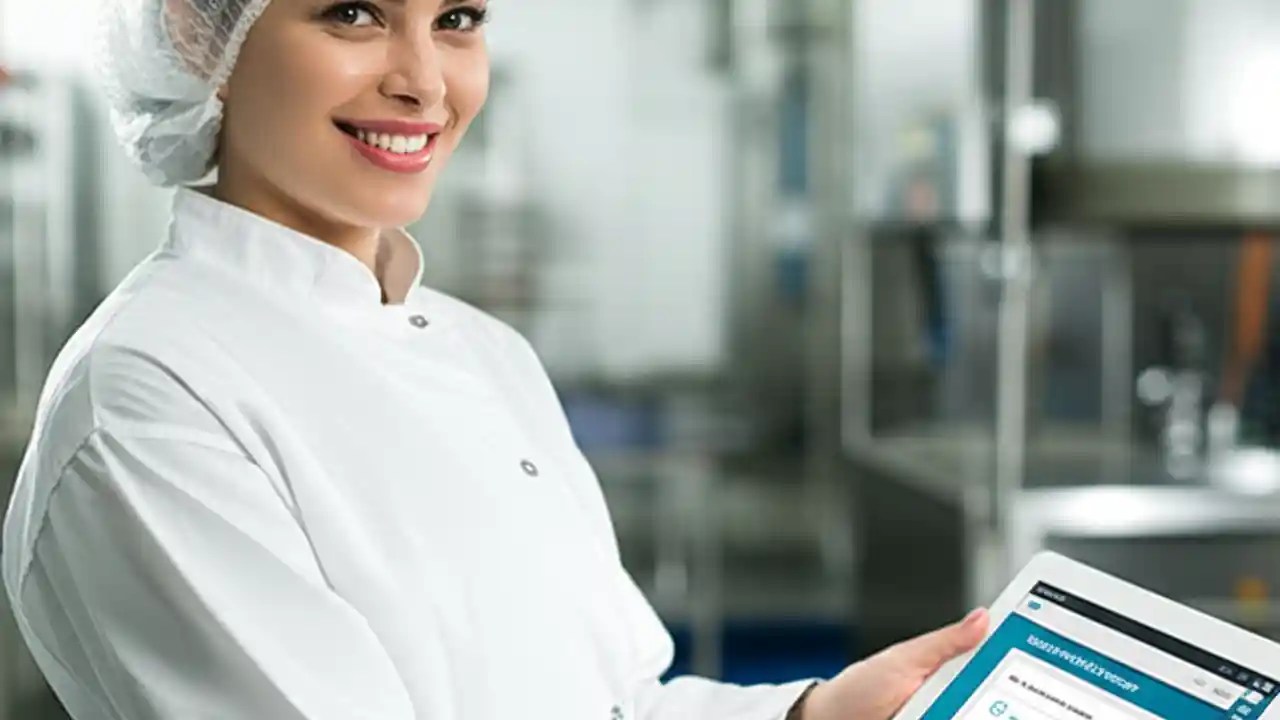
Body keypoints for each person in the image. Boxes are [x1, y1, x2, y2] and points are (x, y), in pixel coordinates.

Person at [0, 1, 989, 718]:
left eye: (457, 19)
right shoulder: (150, 394)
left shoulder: (484, 352)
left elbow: (615, 705)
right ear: (193, 30)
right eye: (353, 14)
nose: (424, 80)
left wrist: (810, 716)